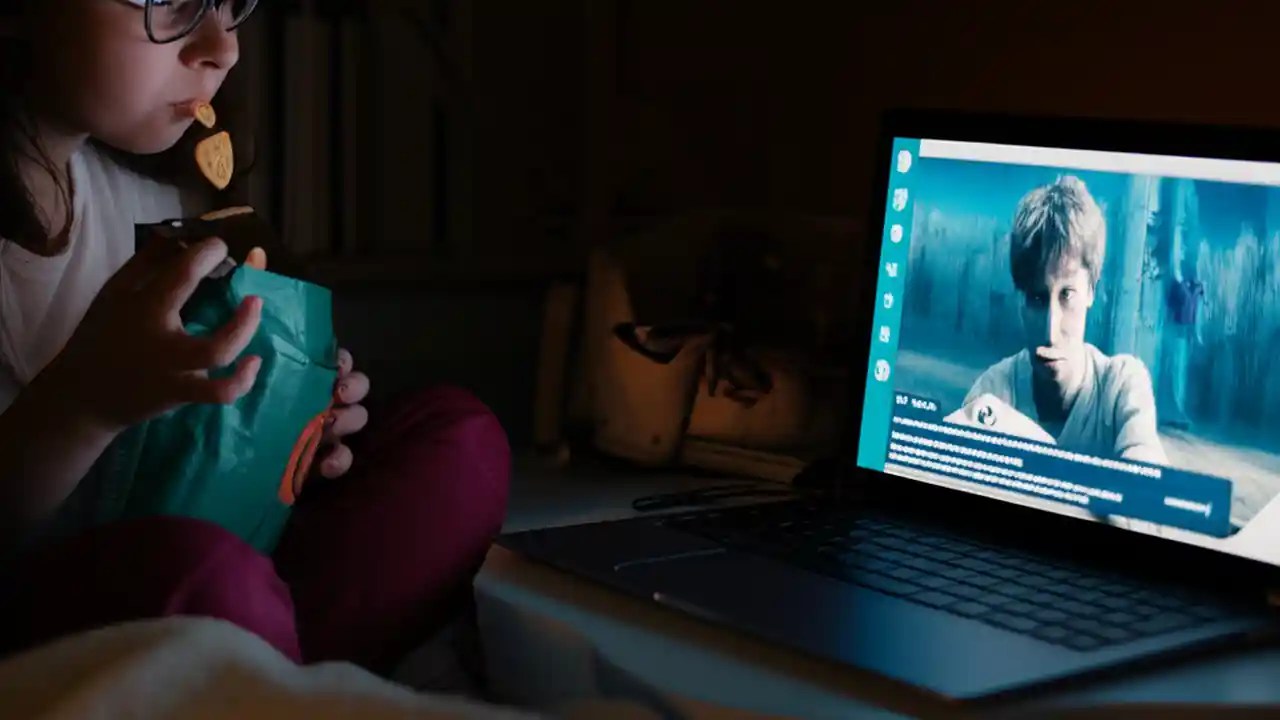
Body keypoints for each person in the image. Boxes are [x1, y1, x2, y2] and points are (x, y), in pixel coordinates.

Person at [0, 0, 510, 674]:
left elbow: (180, 448)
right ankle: (250, 648)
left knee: (457, 441)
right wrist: (84, 403)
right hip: (44, 609)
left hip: (180, 564)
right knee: (206, 578)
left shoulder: (156, 206)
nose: (224, 46)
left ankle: (256, 652)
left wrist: (284, 426)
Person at [954, 175, 1167, 465]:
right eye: (1038, 299)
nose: (1050, 332)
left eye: (1067, 295)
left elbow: (1147, 484)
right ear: (1021, 301)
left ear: (1091, 290)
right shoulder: (995, 391)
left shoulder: (1121, 388)